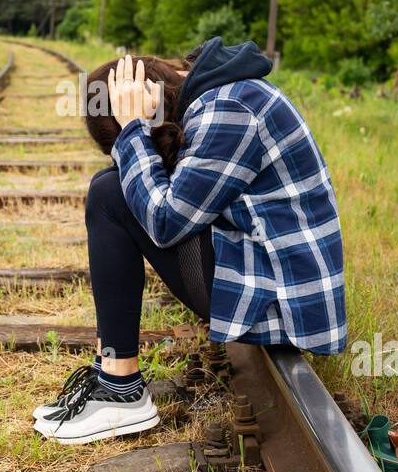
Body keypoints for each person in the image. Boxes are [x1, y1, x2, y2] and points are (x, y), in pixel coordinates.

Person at [32, 37, 347, 444]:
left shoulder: (229, 108)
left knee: (110, 194)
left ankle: (122, 392)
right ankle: (110, 374)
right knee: (112, 184)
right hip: (268, 274)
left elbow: (166, 221)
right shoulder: (219, 94)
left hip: (280, 303)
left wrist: (131, 131)